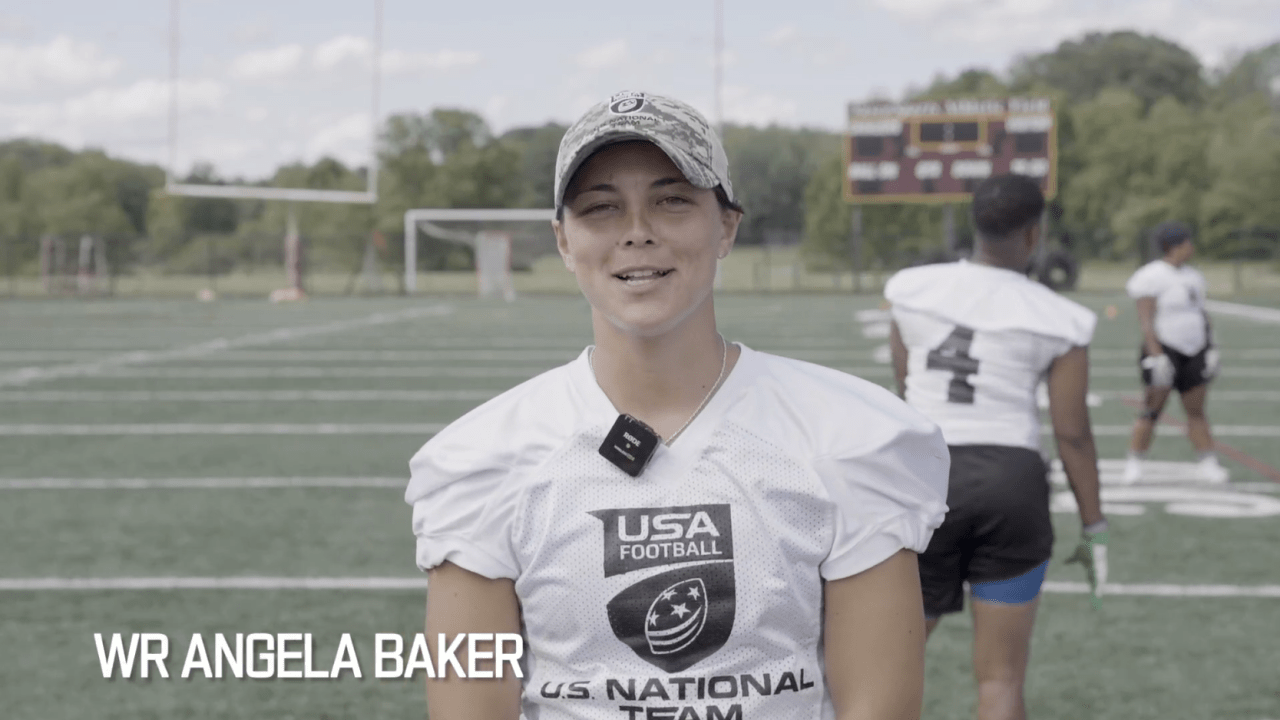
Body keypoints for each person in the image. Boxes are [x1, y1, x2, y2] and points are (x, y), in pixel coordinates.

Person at [405, 90, 950, 720]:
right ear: (562, 240)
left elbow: (878, 710)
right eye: (601, 209)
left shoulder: (847, 435)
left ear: (725, 225)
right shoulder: (484, 458)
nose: (637, 233)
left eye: (671, 200)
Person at [884, 174, 1108, 720]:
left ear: (975, 223)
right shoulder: (1059, 315)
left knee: (884, 667)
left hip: (927, 474)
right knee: (1002, 679)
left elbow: (905, 389)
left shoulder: (911, 289)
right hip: (1012, 481)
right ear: (1035, 234)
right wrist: (1094, 523)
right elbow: (1072, 432)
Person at [1122, 221, 1227, 484]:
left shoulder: (1193, 276)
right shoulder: (1152, 275)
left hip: (1195, 348)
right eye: (1187, 242)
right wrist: (1156, 355)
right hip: (1165, 347)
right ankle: (1135, 461)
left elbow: (1201, 314)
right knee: (1151, 409)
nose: (1191, 247)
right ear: (1175, 246)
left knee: (1196, 409)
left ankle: (1207, 462)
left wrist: (1211, 346)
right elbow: (1146, 319)